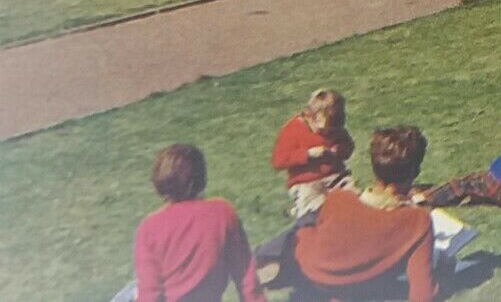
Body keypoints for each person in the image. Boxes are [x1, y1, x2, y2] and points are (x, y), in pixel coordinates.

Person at [292, 126, 436, 302]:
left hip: (313, 271)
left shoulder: (338, 198)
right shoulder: (417, 221)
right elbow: (422, 295)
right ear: (415, 172)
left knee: (306, 224)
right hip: (356, 280)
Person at [130, 144, 266, 302]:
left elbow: (149, 294)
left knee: (127, 292)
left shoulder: (150, 227)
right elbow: (245, 275)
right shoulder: (222, 212)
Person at [271, 88, 356, 219]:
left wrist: (339, 149)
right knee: (315, 212)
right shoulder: (293, 129)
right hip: (306, 182)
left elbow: (349, 146)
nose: (328, 134)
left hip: (335, 176)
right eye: (324, 130)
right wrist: (307, 154)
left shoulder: (335, 127)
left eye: (332, 130)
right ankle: (300, 209)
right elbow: (278, 161)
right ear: (311, 117)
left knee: (354, 201)